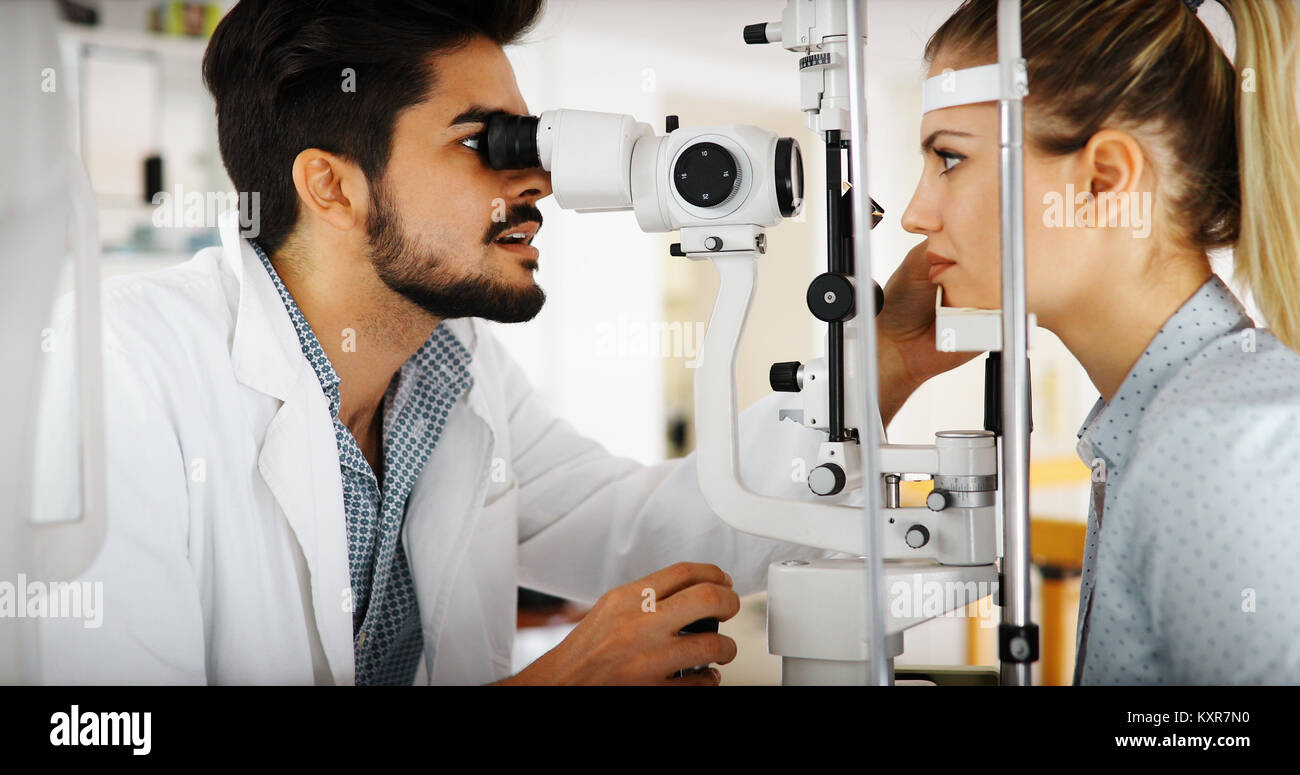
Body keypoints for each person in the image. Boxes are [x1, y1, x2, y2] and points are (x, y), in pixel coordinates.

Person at [29, 0, 963, 686]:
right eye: (488, 141)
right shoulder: (120, 374)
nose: (538, 182)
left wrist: (879, 362)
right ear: (333, 186)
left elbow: (649, 531)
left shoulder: (454, 370)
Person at [903, 0, 1300, 684]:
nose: (915, 214)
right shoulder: (1154, 426)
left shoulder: (1217, 444)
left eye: (949, 159)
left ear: (1105, 178)